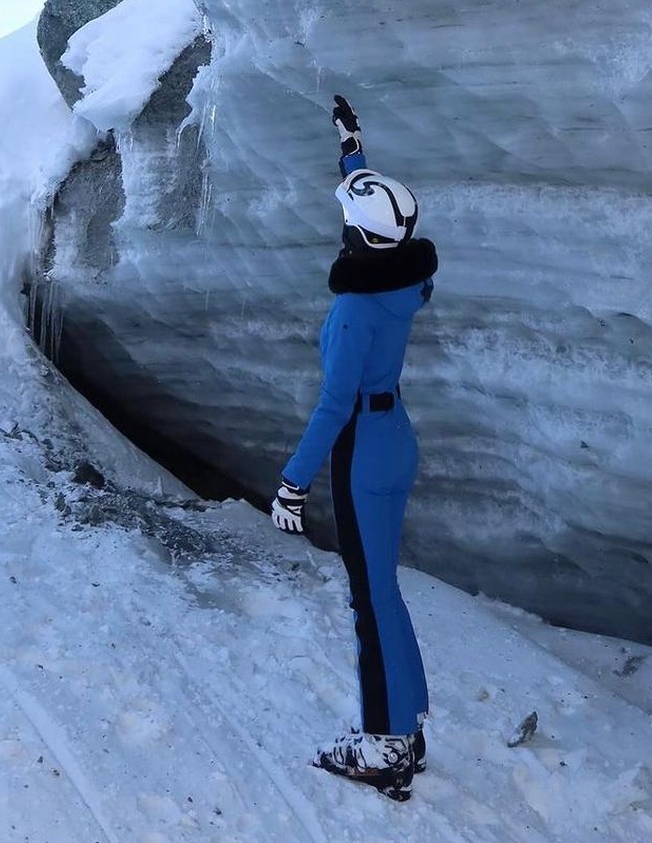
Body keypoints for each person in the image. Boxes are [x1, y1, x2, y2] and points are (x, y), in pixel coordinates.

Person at [271, 95, 438, 803]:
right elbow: (377, 216)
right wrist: (352, 149)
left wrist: (292, 483)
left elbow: (333, 404)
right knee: (386, 589)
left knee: (370, 600)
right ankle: (410, 723)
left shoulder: (352, 311)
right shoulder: (408, 278)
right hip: (396, 436)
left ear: (358, 237)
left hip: (362, 452)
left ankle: (383, 746)